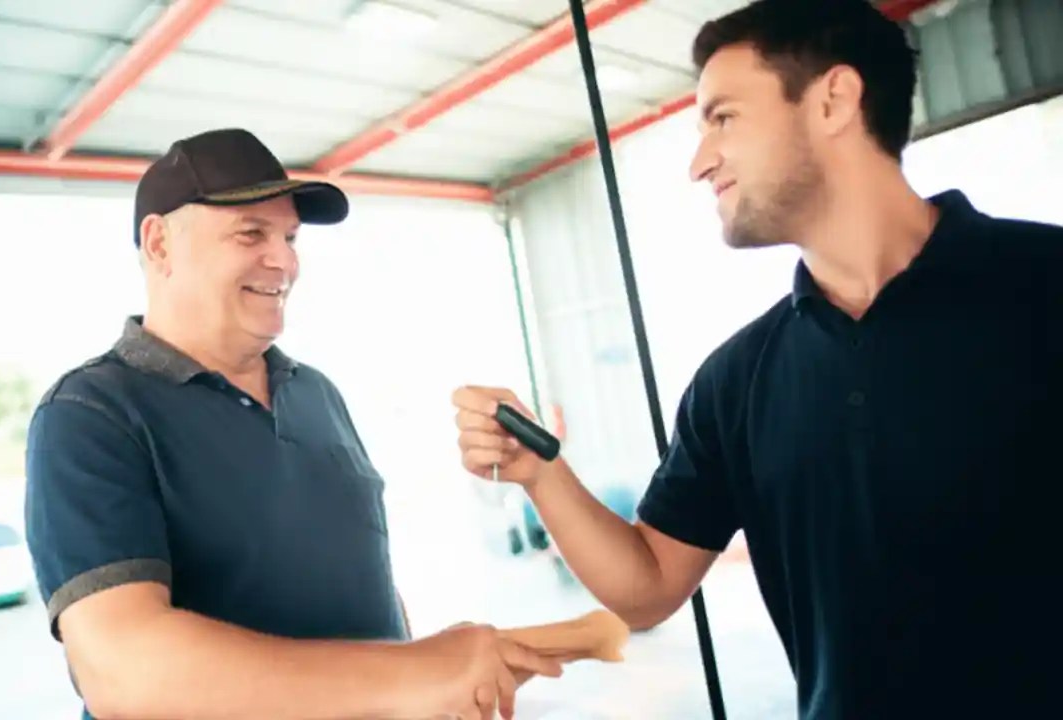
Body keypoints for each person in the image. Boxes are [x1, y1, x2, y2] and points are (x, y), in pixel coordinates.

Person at [452, 1, 1061, 718]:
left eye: (723, 118)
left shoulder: (1044, 287)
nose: (699, 161)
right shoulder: (736, 383)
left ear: (833, 100)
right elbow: (648, 587)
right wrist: (541, 474)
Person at [24, 128, 562, 720]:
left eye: (289, 236)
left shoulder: (316, 393)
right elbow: (123, 674)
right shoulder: (91, 415)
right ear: (159, 245)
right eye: (251, 234)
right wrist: (412, 671)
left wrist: (424, 688)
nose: (285, 260)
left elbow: (365, 584)